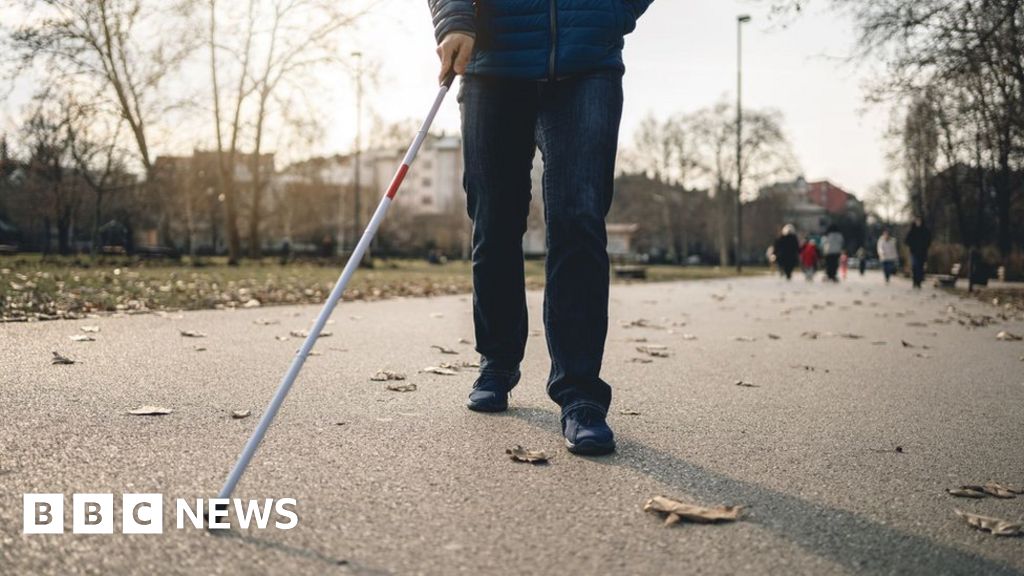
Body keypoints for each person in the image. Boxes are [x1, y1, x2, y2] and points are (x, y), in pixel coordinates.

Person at [428, 0, 653, 456]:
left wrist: (610, 14)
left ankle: (580, 394)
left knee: (578, 221)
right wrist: (454, 20)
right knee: (493, 221)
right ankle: (497, 362)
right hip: (494, 62)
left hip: (586, 62)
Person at [905, 217, 932, 289]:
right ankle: (915, 281)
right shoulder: (912, 231)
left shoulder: (925, 231)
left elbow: (929, 240)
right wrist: (912, 245)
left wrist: (925, 246)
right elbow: (907, 240)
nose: (918, 222)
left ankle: (919, 282)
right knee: (914, 266)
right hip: (914, 252)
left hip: (922, 252)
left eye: (919, 221)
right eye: (917, 221)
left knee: (920, 267)